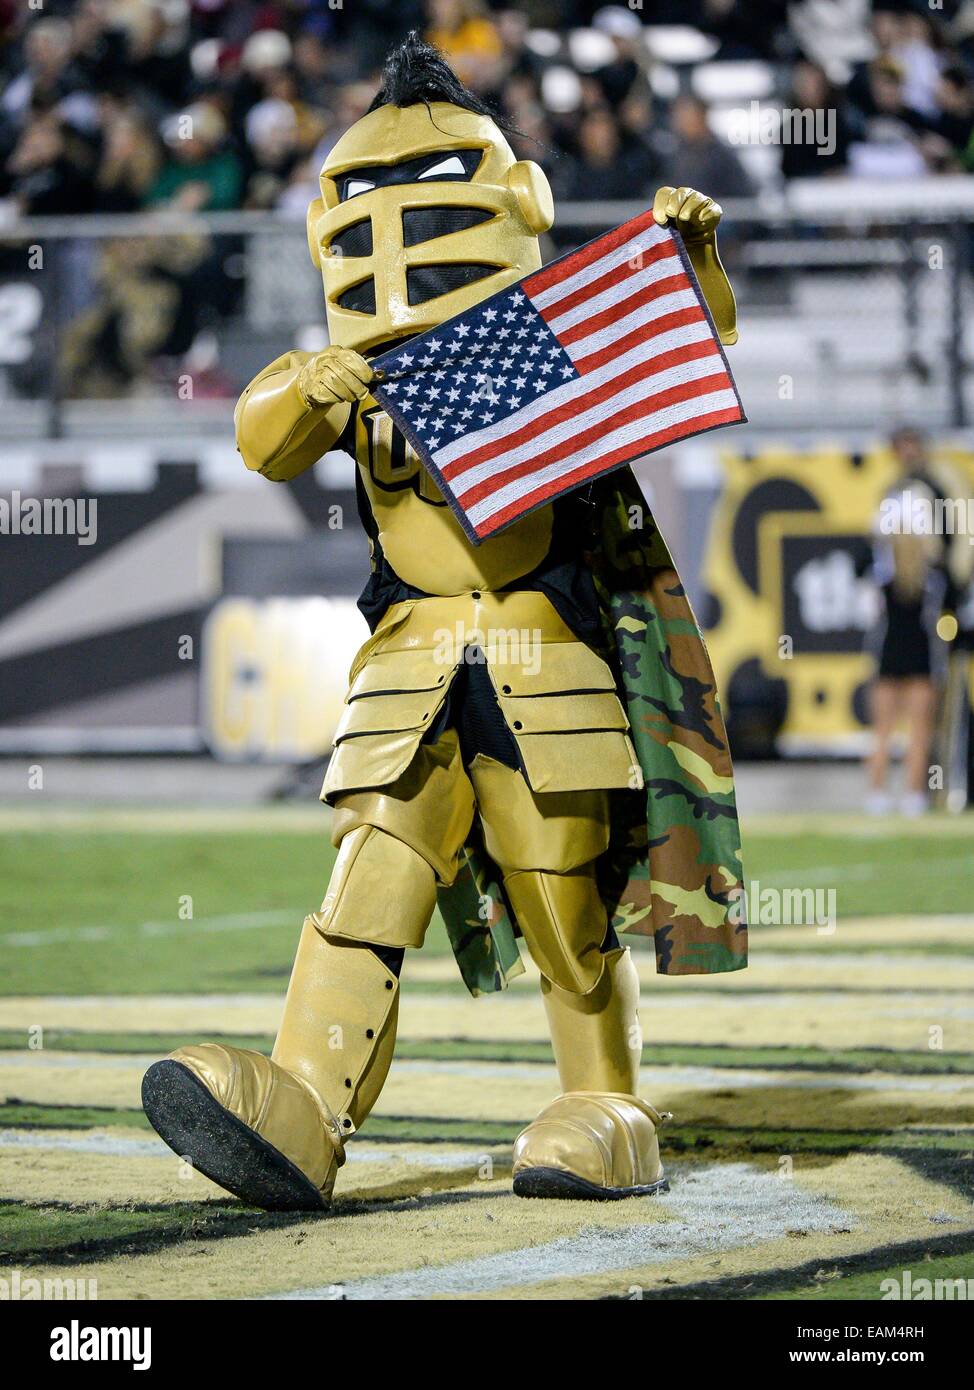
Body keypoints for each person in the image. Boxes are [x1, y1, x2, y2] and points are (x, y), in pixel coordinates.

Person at [142, 33, 746, 1212]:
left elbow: (695, 339)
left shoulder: (552, 348)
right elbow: (261, 435)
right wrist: (309, 382)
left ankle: (602, 1100)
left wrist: (698, 262)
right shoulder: (346, 376)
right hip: (412, 658)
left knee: (560, 899)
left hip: (544, 652)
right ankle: (304, 1108)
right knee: (367, 879)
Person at [865, 427, 953, 817]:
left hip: (891, 648)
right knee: (917, 729)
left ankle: (879, 794)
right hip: (917, 647)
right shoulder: (934, 574)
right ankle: (912, 796)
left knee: (886, 729)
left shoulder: (885, 572)